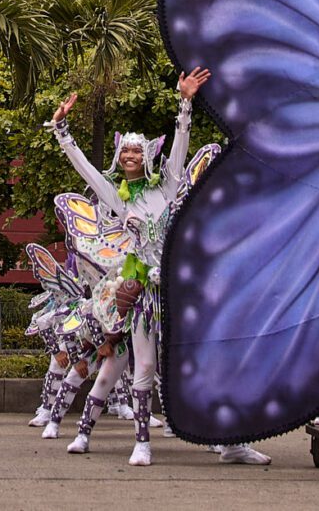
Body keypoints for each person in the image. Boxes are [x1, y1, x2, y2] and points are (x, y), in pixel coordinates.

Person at [51, 68, 209, 468]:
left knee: (196, 358)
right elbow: (86, 169)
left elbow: (181, 144)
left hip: (174, 288)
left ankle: (226, 439)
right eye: (124, 153)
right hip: (138, 291)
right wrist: (62, 130)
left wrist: (185, 102)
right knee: (131, 363)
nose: (129, 157)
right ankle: (138, 442)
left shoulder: (167, 186)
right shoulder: (119, 200)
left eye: (136, 152)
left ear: (149, 156)